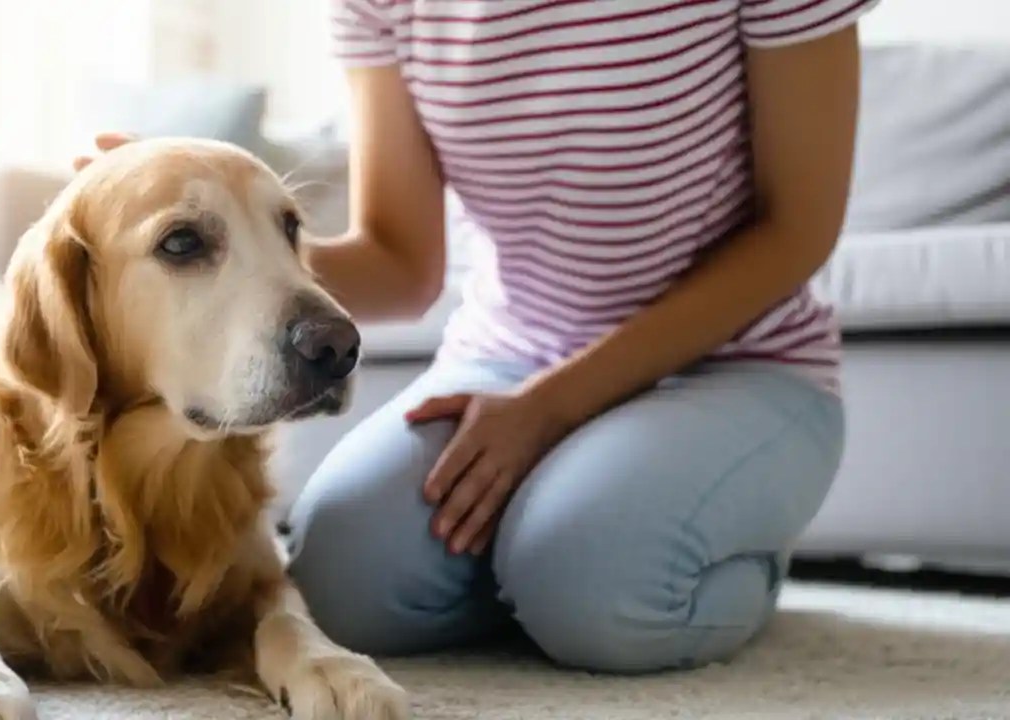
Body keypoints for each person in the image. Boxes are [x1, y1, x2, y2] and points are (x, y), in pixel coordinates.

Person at [78, 0, 877, 673]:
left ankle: (661, 552)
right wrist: (193, 246)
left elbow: (797, 228)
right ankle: (566, 543)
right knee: (340, 590)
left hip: (736, 364)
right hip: (506, 361)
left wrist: (553, 408)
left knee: (599, 595)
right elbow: (400, 262)